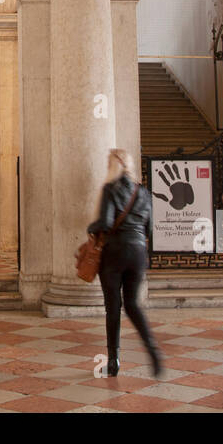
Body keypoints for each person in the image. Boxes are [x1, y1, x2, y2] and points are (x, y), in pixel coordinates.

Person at [88, 148, 162, 378]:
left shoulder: (110, 189)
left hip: (114, 252)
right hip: (138, 252)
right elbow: (150, 228)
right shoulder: (144, 192)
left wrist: (91, 228)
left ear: (112, 166)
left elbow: (106, 222)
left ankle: (114, 360)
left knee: (113, 307)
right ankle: (152, 350)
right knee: (132, 305)